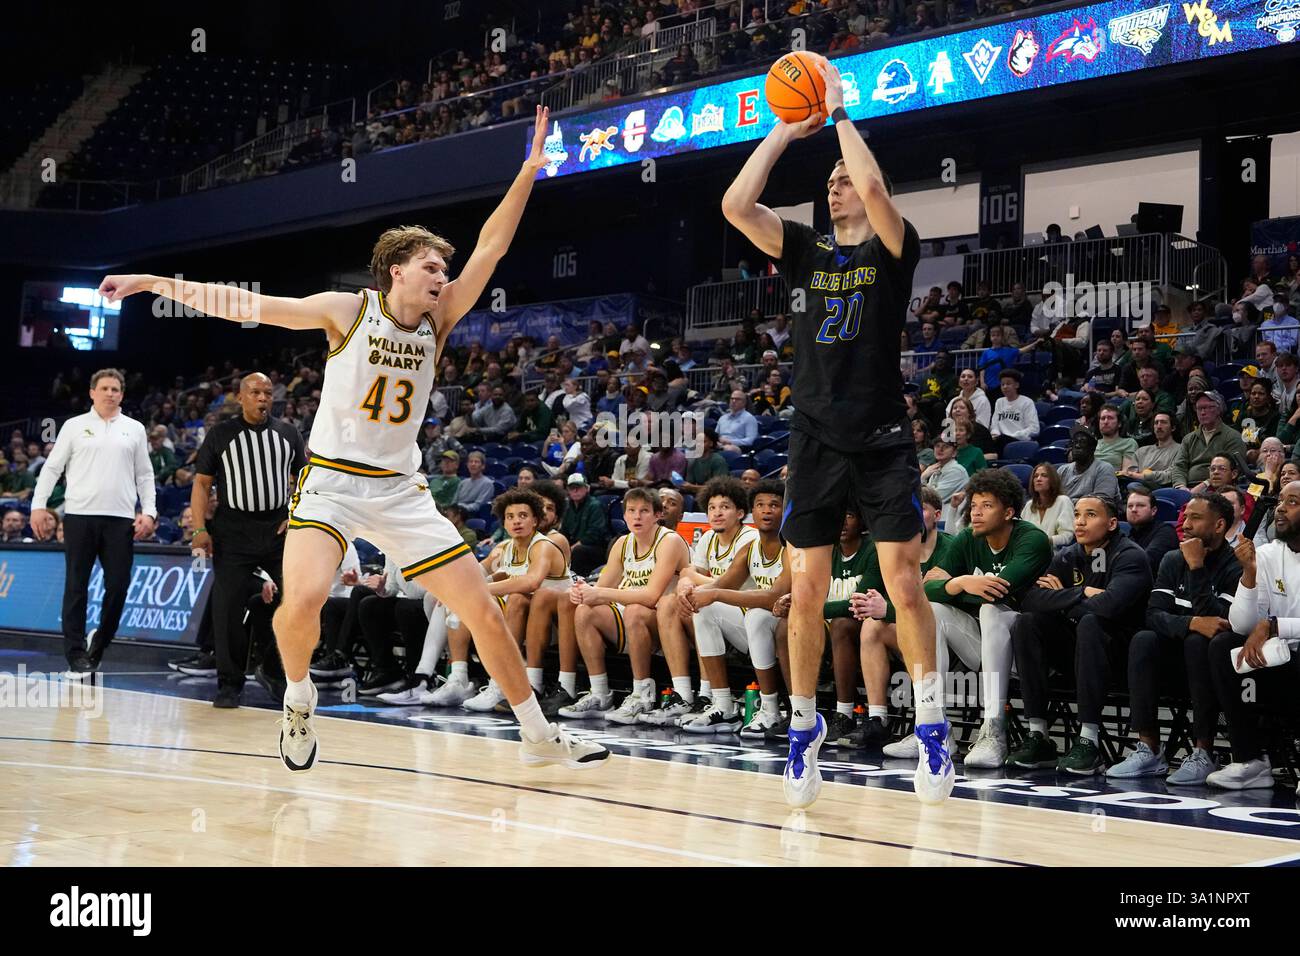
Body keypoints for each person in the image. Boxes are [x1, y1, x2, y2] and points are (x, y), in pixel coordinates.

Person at [96, 108, 608, 772]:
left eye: (442, 270)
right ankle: (300, 700)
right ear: (395, 270)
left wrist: (529, 169)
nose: (442, 277)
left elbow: (493, 247)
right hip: (331, 486)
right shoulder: (347, 312)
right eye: (430, 266)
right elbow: (245, 305)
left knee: (480, 605)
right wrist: (151, 283)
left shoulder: (441, 319)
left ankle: (540, 737)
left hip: (401, 490)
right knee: (303, 599)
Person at [721, 57, 948, 807]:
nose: (837, 185)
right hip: (815, 436)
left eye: (841, 179)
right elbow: (734, 203)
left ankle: (934, 725)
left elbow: (876, 187)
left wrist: (843, 113)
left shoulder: (891, 245)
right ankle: (804, 726)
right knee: (807, 588)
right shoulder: (803, 251)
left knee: (903, 580)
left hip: (883, 434)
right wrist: (785, 130)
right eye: (831, 184)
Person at [907, 469, 1052, 767]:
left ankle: (994, 729)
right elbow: (927, 591)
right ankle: (934, 725)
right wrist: (960, 583)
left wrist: (954, 584)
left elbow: (999, 592)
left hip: (1031, 654)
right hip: (985, 651)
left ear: (1009, 512)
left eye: (986, 506)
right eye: (973, 505)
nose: (976, 512)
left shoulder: (1032, 540)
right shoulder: (967, 539)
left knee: (990, 609)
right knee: (931, 612)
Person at [1009, 495, 1152, 773]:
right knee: (1027, 623)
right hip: (1077, 655)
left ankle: (1089, 740)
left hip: (1120, 658)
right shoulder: (1068, 555)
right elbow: (1031, 600)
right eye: (1076, 515)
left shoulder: (1130, 556)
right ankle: (1038, 735)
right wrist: (1081, 592)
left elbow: (1108, 606)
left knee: (1090, 624)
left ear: (1112, 523)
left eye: (1090, 515)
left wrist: (1061, 599)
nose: (1080, 522)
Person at [190, 372, 307, 707]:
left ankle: (273, 668)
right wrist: (200, 530)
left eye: (268, 393)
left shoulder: (288, 433)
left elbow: (305, 477)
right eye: (255, 392)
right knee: (227, 609)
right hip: (232, 529)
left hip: (278, 528)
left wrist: (296, 514)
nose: (262, 398)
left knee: (298, 601)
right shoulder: (221, 434)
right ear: (240, 397)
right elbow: (201, 484)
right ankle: (229, 684)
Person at [30, 369, 157, 674]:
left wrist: (149, 511)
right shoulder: (74, 426)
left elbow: (145, 474)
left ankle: (99, 644)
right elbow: (51, 469)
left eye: (115, 389)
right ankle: (75, 653)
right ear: (92, 392)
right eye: (104, 388)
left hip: (121, 520)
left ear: (122, 395)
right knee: (77, 586)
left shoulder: (135, 429)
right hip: (79, 517)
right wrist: (38, 506)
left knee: (118, 586)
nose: (110, 393)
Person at [1108, 493, 1240, 783]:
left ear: (1219, 525)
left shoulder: (1234, 565)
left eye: (1195, 517)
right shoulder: (1172, 558)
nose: (1184, 523)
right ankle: (1149, 749)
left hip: (1216, 670)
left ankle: (1204, 752)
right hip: (1172, 664)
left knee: (1199, 642)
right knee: (1144, 638)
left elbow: (1219, 624)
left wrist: (1196, 567)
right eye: (1184, 516)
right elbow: (1153, 615)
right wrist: (1191, 622)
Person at [560, 488, 692, 721]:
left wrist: (598, 592)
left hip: (669, 621)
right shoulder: (622, 543)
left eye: (644, 511)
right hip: (636, 618)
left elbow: (652, 597)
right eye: (631, 511)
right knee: (584, 612)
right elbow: (602, 589)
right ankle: (600, 693)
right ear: (624, 516)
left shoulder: (669, 540)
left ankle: (642, 694)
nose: (637, 517)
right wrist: (583, 593)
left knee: (635, 611)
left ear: (657, 515)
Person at [1204, 483, 1300, 791]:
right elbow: (1241, 624)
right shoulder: (1269, 554)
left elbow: (1266, 625)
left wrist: (1273, 626)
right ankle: (1250, 761)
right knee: (1223, 646)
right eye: (1281, 501)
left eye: (1293, 502)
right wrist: (1248, 573)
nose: (1280, 508)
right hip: (1279, 662)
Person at [841, 487, 951, 749]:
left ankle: (930, 723)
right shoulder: (892, 552)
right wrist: (877, 609)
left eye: (920, 509)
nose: (912, 516)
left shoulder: (951, 546)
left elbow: (942, 598)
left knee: (927, 614)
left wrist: (887, 610)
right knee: (872, 627)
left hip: (950, 633)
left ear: (937, 515)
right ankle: (877, 720)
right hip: (909, 632)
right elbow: (873, 598)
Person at [674, 478, 785, 734]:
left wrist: (711, 593)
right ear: (753, 511)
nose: (766, 510)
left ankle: (771, 709)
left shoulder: (788, 545)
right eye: (760, 505)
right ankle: (723, 705)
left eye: (773, 505)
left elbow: (772, 596)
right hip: (753, 624)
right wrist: (690, 591)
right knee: (703, 607)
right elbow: (721, 584)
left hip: (789, 626)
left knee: (757, 615)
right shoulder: (750, 548)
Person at [1171, 391, 1247, 490]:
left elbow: (1232, 469)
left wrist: (1203, 485)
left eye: (1208, 408)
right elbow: (1179, 466)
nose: (1202, 412)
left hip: (1218, 488)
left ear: (1219, 410)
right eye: (1199, 408)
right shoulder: (1188, 438)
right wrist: (1180, 487)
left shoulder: (1233, 437)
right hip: (1187, 487)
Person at [560, 473, 610, 576]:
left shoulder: (595, 505)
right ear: (568, 491)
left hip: (596, 548)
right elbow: (563, 532)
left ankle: (576, 579)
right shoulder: (567, 507)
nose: (575, 491)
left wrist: (569, 549)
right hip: (575, 545)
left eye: (579, 487)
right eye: (572, 488)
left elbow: (594, 535)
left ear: (587, 488)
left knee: (578, 551)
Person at [1055, 430, 1120, 506]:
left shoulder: (1104, 469)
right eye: (1075, 442)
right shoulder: (1062, 470)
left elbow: (1101, 503)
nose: (1077, 446)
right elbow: (1051, 499)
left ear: (1092, 448)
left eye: (1082, 442)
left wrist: (1065, 502)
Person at [1022, 463, 1074, 548]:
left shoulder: (1063, 501)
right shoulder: (1029, 505)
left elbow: (1068, 536)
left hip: (1054, 554)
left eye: (1044, 476)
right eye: (1035, 476)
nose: (1038, 479)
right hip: (1029, 553)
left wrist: (1044, 541)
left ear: (1052, 480)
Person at [1123, 412, 1179, 488]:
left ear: (1173, 428)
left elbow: (1172, 475)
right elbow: (1131, 473)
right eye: (1156, 423)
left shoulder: (1180, 449)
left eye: (1163, 422)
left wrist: (1146, 475)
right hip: (1136, 484)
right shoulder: (1141, 451)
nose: (1159, 426)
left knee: (1133, 486)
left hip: (1163, 487)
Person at [990, 369, 1039, 453]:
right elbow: (994, 425)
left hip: (1019, 441)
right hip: (1001, 441)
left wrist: (1014, 436)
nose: (1005, 387)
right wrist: (995, 434)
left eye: (1008, 383)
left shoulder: (1027, 402)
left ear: (1016, 385)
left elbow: (1034, 429)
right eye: (1002, 384)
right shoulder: (999, 402)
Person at [1094, 405, 1137, 473]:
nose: (1105, 422)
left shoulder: (1128, 443)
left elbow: (1126, 472)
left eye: (1110, 418)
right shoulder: (1092, 443)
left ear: (1119, 424)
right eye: (1102, 418)